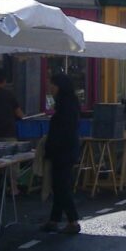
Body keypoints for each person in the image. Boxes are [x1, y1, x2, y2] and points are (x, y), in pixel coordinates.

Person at [42, 71, 82, 233]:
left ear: (60, 86)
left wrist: (52, 147)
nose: (50, 87)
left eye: (53, 84)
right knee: (59, 186)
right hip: (66, 150)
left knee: (61, 186)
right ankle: (54, 219)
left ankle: (73, 221)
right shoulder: (68, 103)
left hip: (63, 152)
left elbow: (63, 130)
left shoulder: (66, 106)